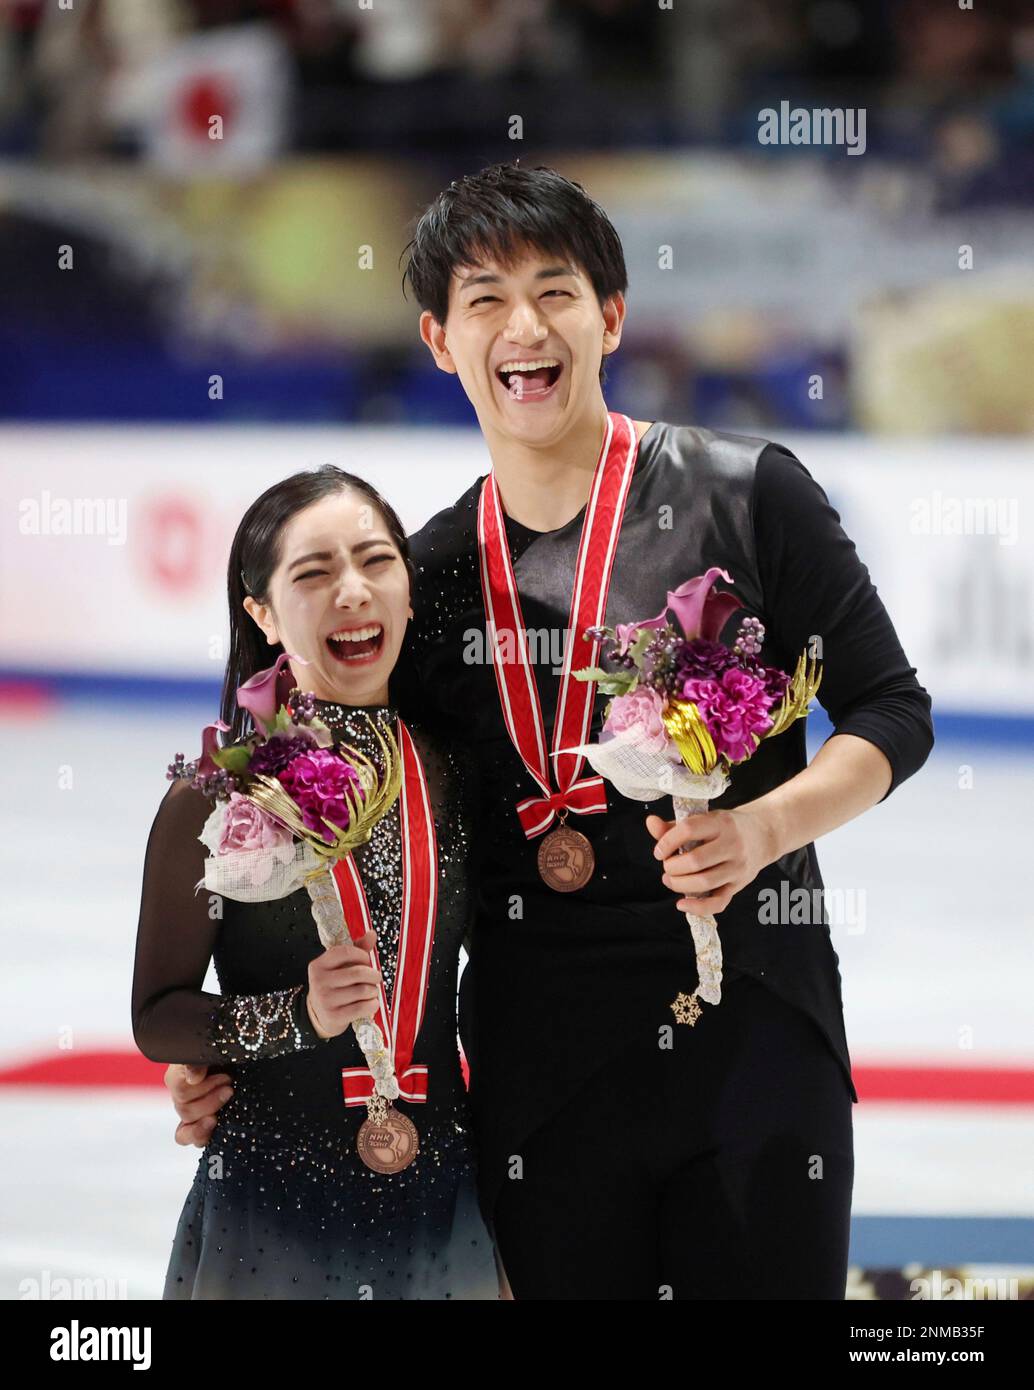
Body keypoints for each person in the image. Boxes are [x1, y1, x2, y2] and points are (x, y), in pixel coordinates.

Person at [164, 162, 935, 1299]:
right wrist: (234, 1043)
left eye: (553, 291)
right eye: (483, 299)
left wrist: (765, 827)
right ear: (437, 338)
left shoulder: (746, 493)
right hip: (541, 1079)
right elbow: (358, 838)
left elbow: (890, 710)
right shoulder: (420, 583)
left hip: (755, 1034)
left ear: (609, 315)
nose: (522, 327)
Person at [132, 468, 502, 1299]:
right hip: (270, 1202)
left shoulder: (454, 773)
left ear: (408, 590)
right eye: (313, 573)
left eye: (376, 562)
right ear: (259, 612)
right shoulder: (219, 793)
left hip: (444, 1192)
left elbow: (514, 963)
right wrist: (293, 1016)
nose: (353, 592)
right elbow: (159, 1017)